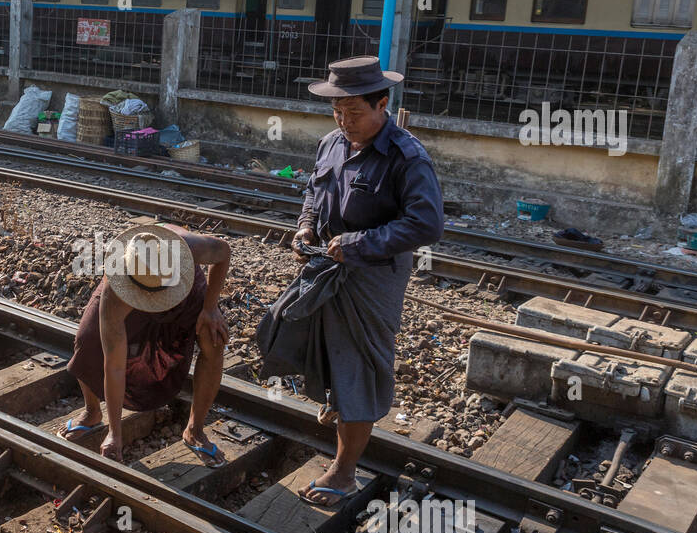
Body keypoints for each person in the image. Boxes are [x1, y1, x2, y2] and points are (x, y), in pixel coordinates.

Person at [258, 55, 444, 506]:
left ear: (382, 105)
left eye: (355, 112)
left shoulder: (407, 158)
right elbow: (313, 192)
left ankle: (343, 473)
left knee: (358, 368)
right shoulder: (331, 143)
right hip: (328, 266)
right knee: (291, 332)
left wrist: (359, 243)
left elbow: (426, 225)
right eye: (337, 111)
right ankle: (337, 401)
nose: (345, 121)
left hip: (372, 279)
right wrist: (305, 226)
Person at [61, 223, 230, 464]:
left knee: (214, 340)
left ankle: (194, 430)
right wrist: (114, 433)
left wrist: (210, 308)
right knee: (87, 341)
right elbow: (115, 366)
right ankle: (92, 411)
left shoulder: (191, 248)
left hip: (186, 289)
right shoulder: (116, 293)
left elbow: (224, 252)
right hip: (131, 289)